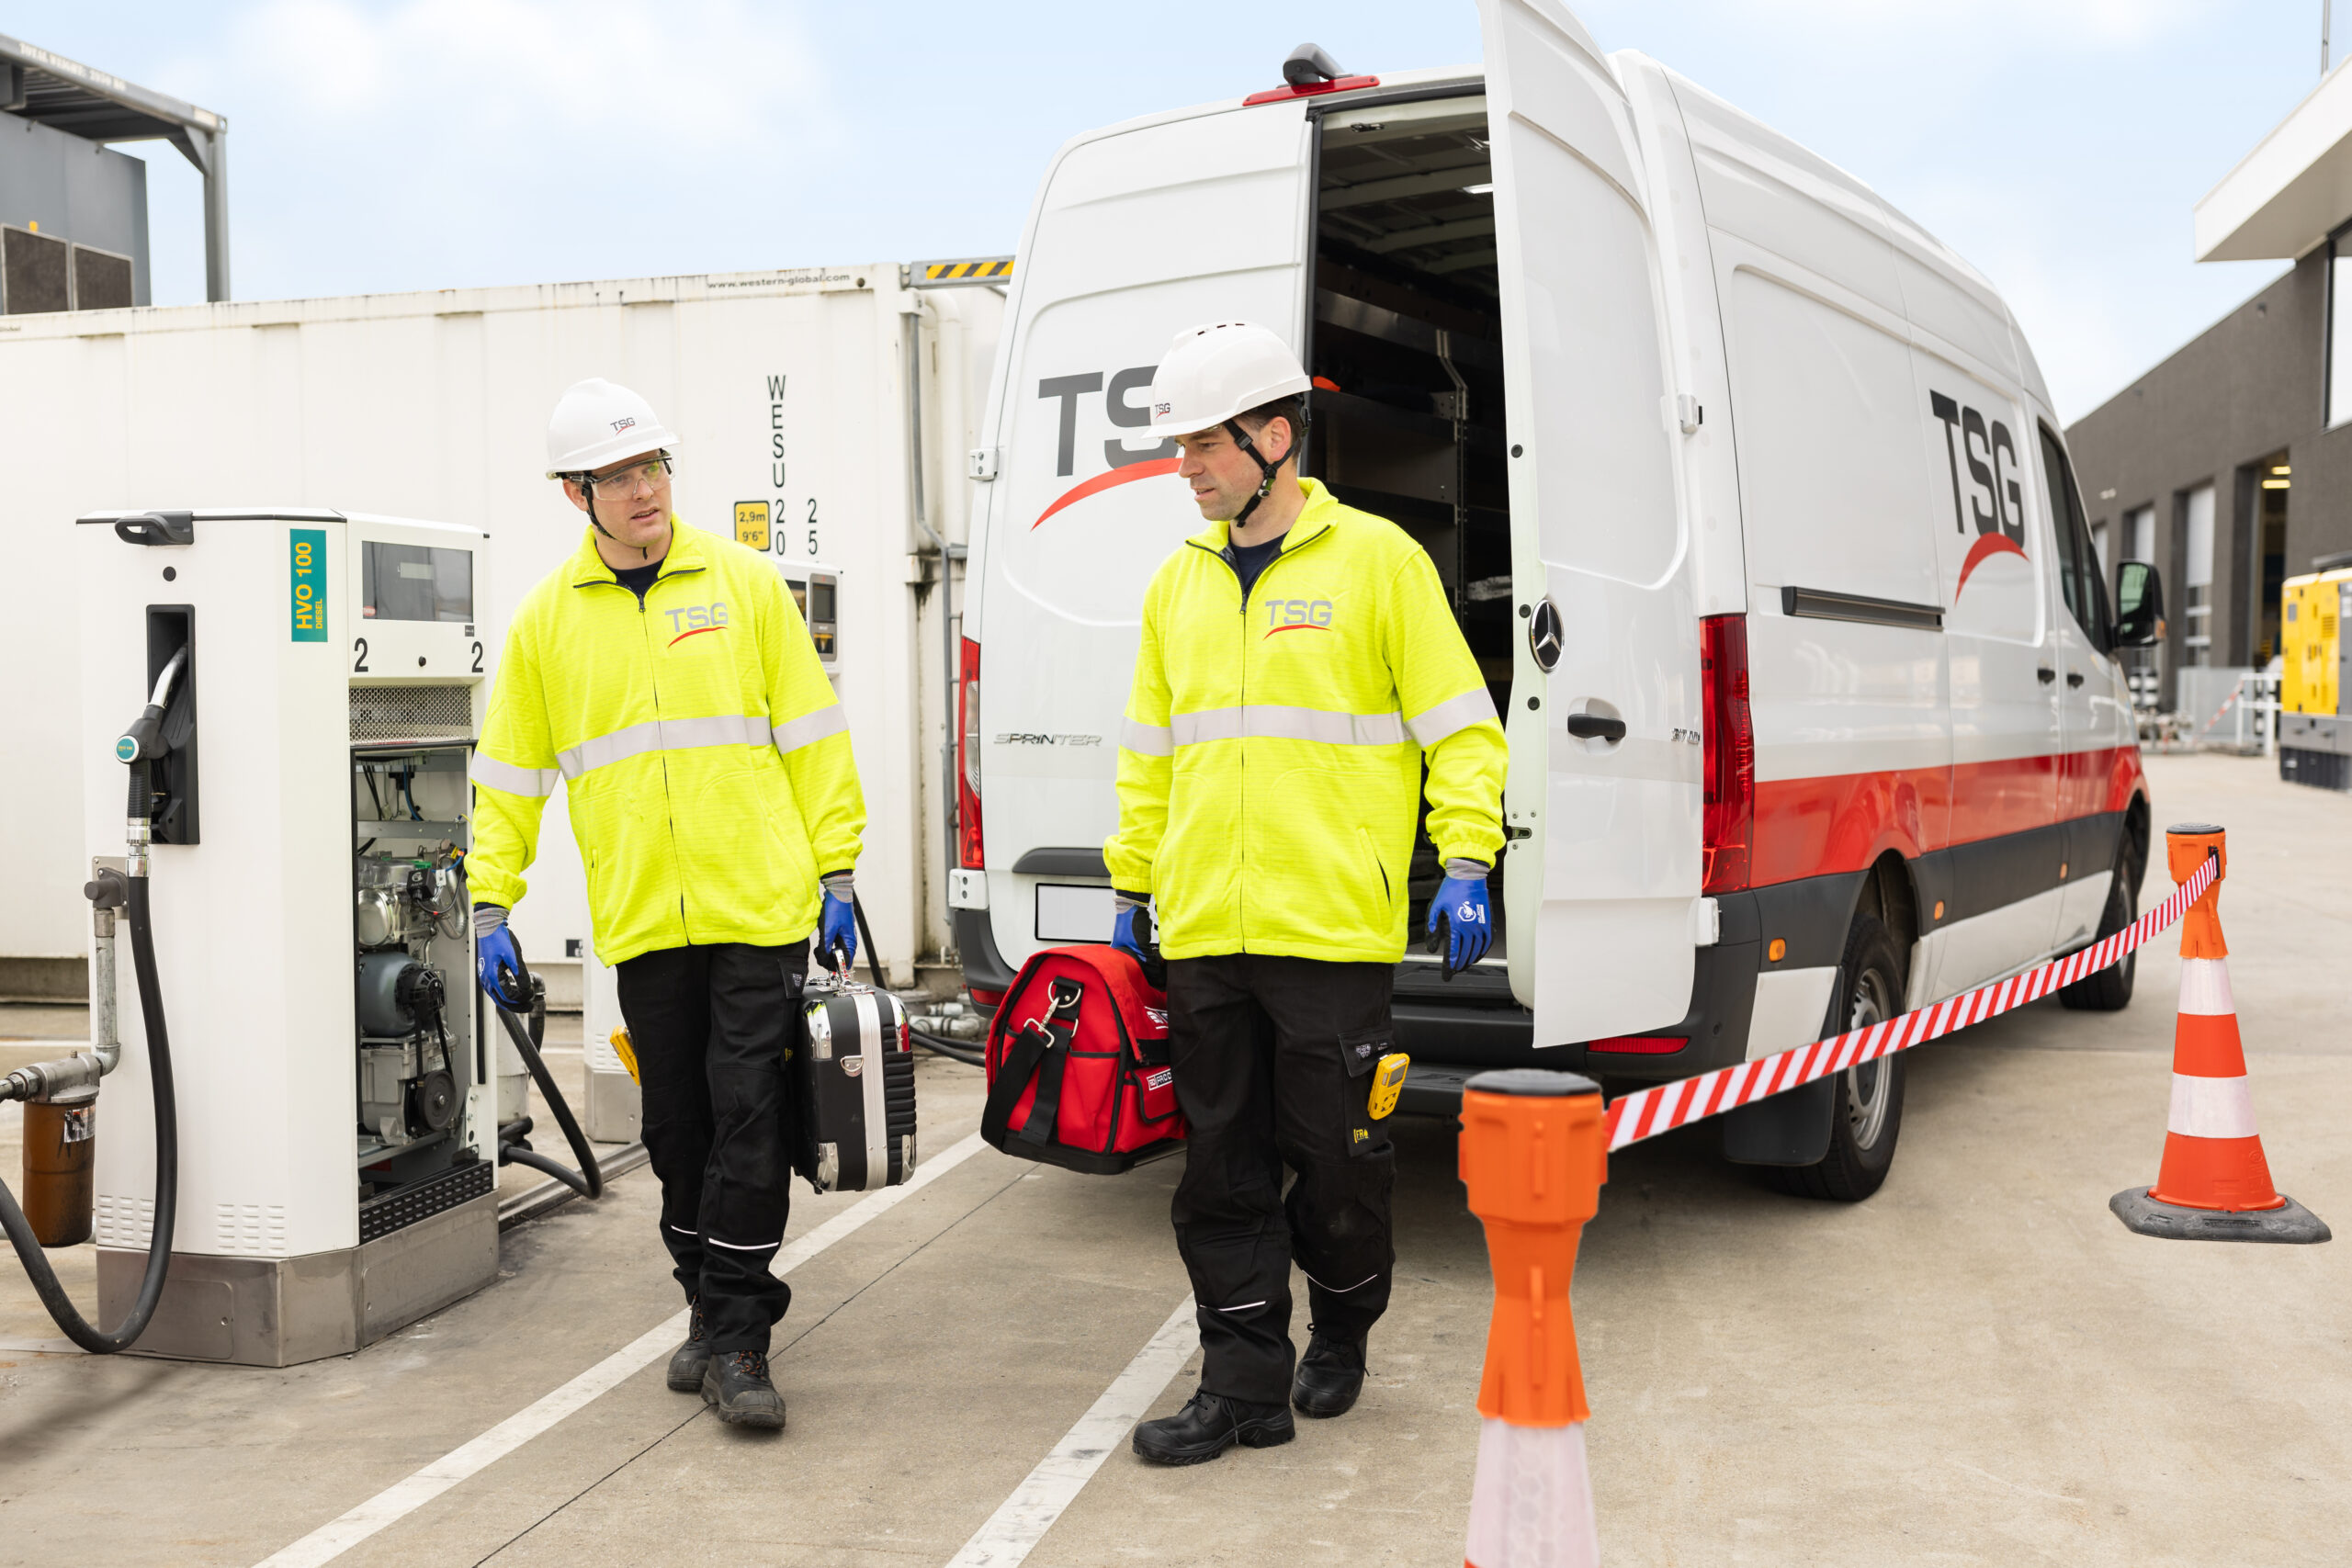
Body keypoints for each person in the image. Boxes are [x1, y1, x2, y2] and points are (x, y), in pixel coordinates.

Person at [1105, 323, 1507, 1465]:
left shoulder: (1377, 563)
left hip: (1330, 927)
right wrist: (1136, 876)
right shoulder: (1175, 587)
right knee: (1218, 1170)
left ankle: (1343, 1326)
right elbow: (1150, 752)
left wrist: (1467, 858)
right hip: (1204, 931)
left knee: (1337, 1166)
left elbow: (1460, 730)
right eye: (1178, 446)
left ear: (1273, 439)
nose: (1183, 466)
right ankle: (1241, 1391)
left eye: (1202, 445)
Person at [468, 378, 865, 1430]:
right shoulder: (548, 625)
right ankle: (705, 1298)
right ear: (575, 495)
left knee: (750, 1115)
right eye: (618, 475)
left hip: (757, 907)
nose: (644, 490)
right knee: (676, 1128)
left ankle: (739, 1334)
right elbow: (508, 774)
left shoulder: (741, 586)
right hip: (645, 920)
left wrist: (836, 871)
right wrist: (489, 905)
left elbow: (814, 732)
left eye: (654, 467)